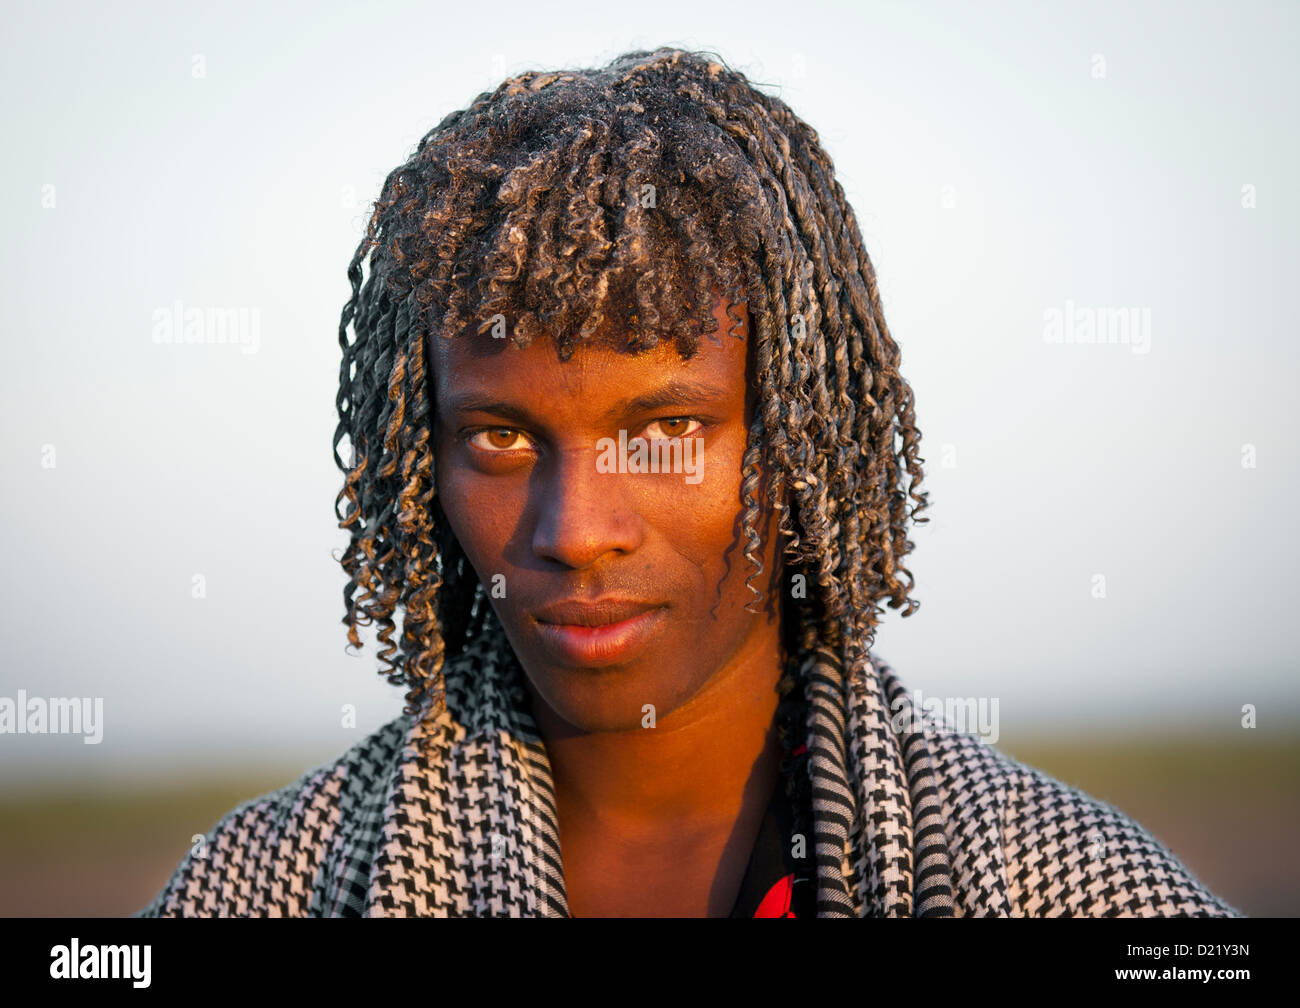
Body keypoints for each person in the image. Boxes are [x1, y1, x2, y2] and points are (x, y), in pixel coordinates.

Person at [137, 46, 1239, 918]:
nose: (575, 532)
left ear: (800, 436)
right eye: (500, 439)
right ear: (418, 459)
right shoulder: (258, 887)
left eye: (666, 427)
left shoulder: (1066, 888)